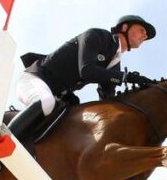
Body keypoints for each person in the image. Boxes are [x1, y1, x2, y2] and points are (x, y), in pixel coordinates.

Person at [9, 15, 157, 140]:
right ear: (124, 27)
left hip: (58, 97)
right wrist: (126, 77)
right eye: (142, 30)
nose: (145, 36)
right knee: (45, 102)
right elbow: (87, 71)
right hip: (34, 79)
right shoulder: (97, 36)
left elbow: (107, 99)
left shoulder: (114, 63)